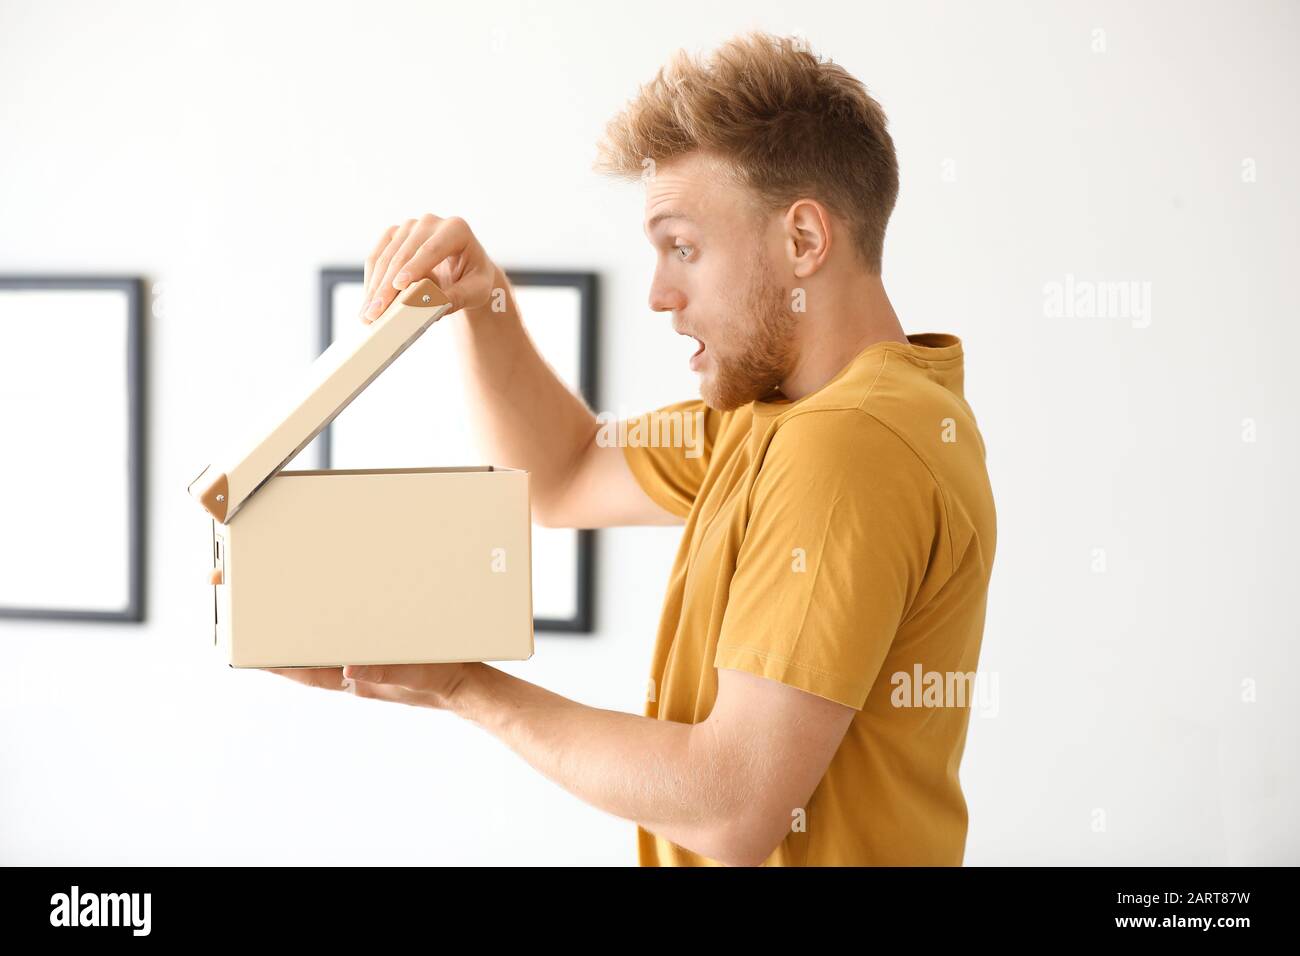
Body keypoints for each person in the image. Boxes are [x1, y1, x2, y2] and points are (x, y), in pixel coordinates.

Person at [268, 30, 997, 867]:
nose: (659, 294)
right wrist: (484, 302)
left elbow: (730, 806)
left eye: (682, 247)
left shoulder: (847, 446)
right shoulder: (777, 418)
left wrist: (463, 685)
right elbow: (563, 477)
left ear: (803, 241)